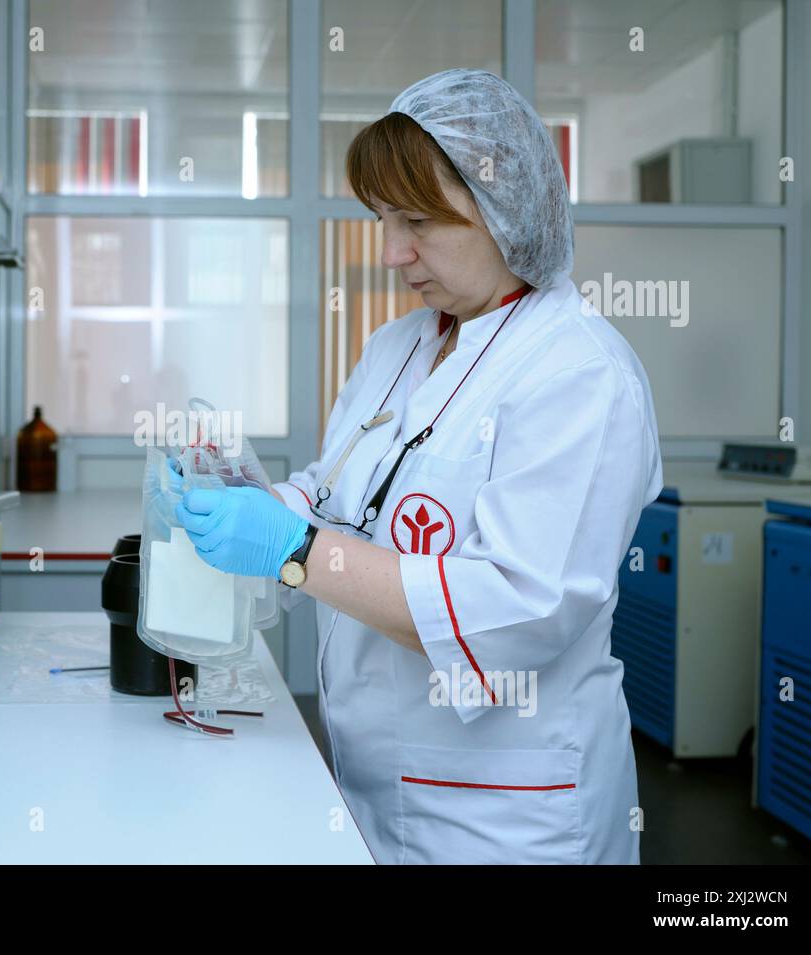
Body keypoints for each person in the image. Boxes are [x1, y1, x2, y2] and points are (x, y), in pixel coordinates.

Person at [175, 69, 662, 864]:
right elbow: (337, 498)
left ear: (508, 211)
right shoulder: (398, 346)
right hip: (371, 779)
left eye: (419, 222)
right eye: (383, 219)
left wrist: (291, 551)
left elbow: (517, 610)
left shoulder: (579, 374)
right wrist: (241, 494)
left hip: (510, 818)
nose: (394, 252)